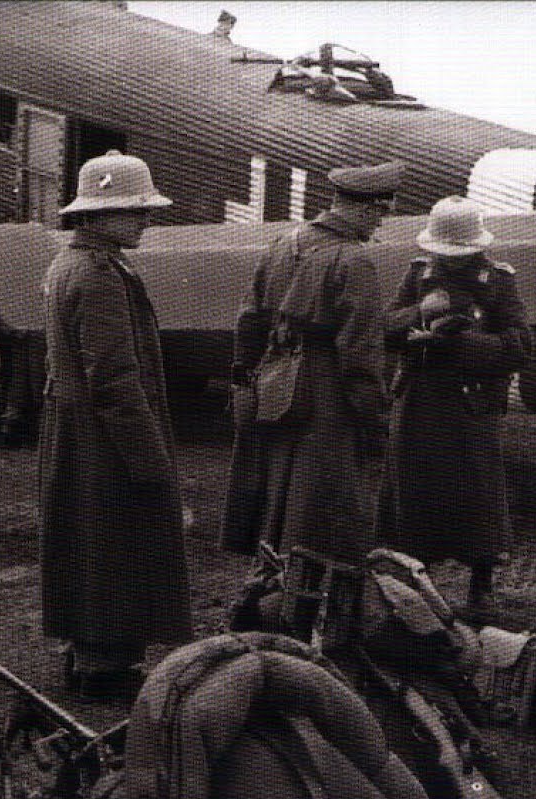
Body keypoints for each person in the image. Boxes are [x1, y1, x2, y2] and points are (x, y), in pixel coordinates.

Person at [39, 152, 192, 700]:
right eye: (132, 210)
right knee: (117, 545)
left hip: (76, 432)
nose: (145, 220)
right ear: (98, 216)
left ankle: (87, 656)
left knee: (85, 542)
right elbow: (115, 380)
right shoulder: (100, 277)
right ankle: (109, 667)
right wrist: (153, 463)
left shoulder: (70, 264)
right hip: (107, 440)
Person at [221, 161, 403, 597]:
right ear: (360, 208)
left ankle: (266, 590)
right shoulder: (352, 260)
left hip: (276, 384)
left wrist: (247, 380)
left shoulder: (282, 244)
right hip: (327, 393)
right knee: (324, 506)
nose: (380, 222)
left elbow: (247, 321)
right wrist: (374, 422)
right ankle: (306, 609)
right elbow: (361, 353)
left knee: (277, 493)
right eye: (379, 212)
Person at [379, 196, 532, 622]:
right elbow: (386, 327)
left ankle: (481, 587)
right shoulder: (418, 274)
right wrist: (419, 318)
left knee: (479, 497)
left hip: (471, 404)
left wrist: (463, 342)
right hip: (419, 400)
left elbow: (520, 347)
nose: (449, 262)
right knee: (412, 494)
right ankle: (412, 584)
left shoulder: (499, 281)